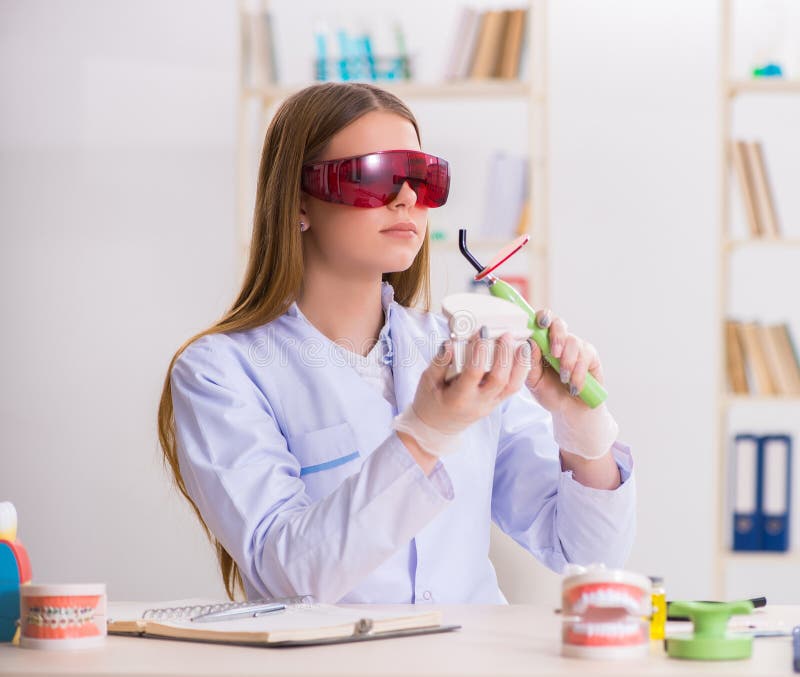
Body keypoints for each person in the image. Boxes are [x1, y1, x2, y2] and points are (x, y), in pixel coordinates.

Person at [157, 82, 635, 604]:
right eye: (374, 175)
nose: (407, 198)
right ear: (298, 201)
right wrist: (426, 433)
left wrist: (582, 431)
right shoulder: (220, 372)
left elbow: (586, 553)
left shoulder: (463, 349)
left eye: (422, 179)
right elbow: (289, 576)